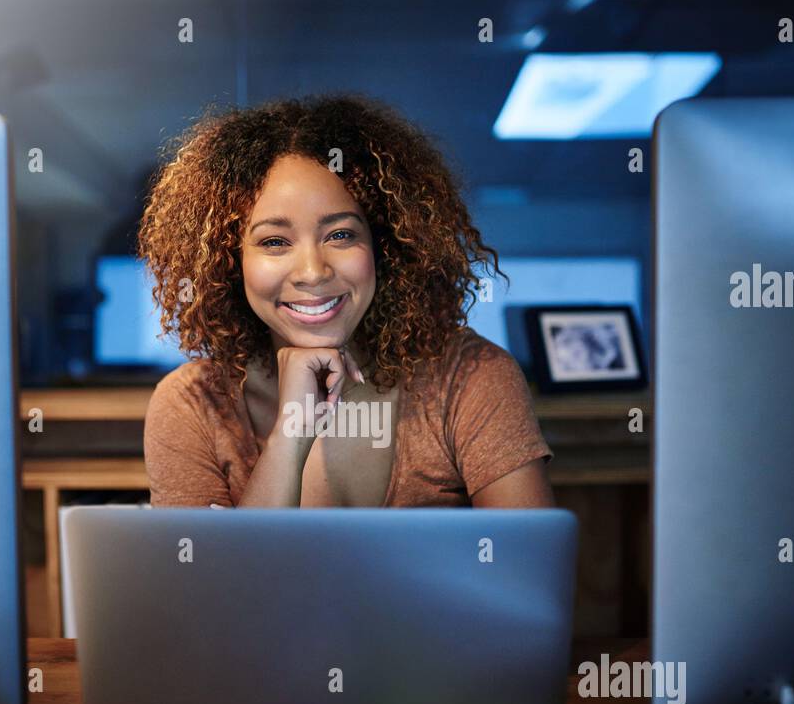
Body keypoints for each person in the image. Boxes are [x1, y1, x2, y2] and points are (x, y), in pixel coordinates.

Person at [136, 93, 553, 508]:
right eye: (275, 241)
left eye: (340, 234)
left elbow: (526, 569)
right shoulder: (191, 404)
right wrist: (290, 434)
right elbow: (216, 575)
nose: (313, 271)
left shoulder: (469, 377)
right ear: (231, 261)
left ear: (384, 245)